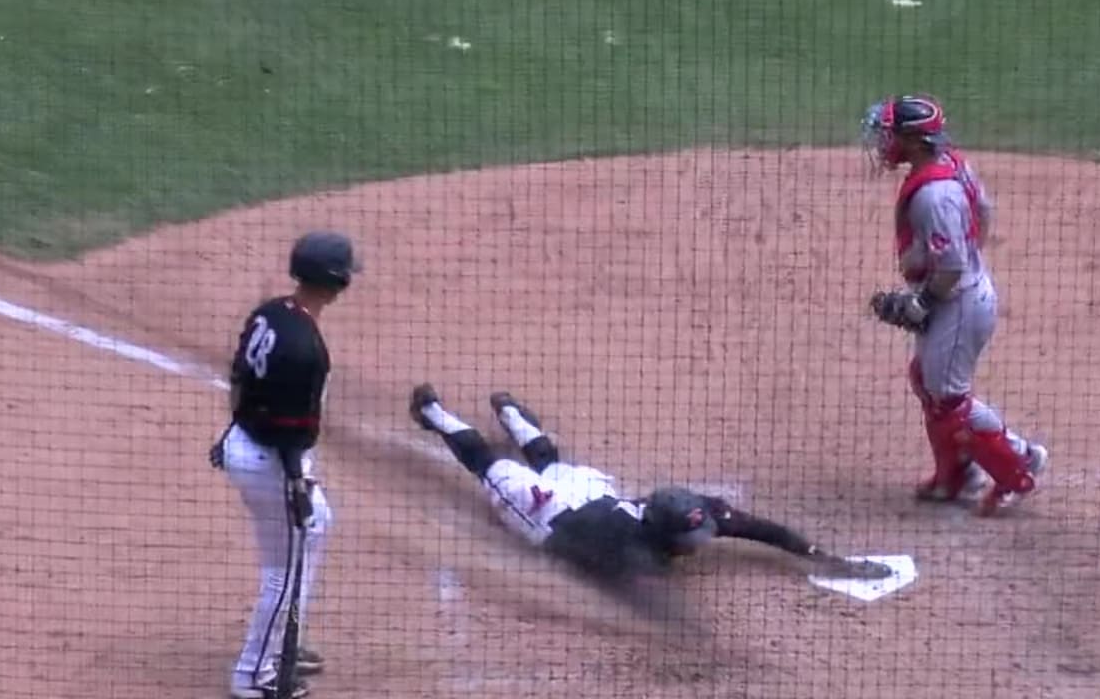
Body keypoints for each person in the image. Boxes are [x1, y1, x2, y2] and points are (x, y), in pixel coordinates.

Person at [405, 383, 889, 589]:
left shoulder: (698, 511)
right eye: (690, 540)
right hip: (554, 519)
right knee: (495, 468)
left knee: (553, 461)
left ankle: (508, 410)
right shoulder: (627, 553)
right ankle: (431, 413)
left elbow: (766, 531)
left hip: (597, 496)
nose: (699, 545)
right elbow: (647, 601)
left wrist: (830, 560)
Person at [860, 94, 1048, 516]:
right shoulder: (951, 163)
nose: (882, 141)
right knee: (926, 381)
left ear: (913, 139)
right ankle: (958, 476)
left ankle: (1018, 467)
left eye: (889, 134)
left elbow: (951, 265)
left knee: (948, 399)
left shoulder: (935, 196)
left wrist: (921, 303)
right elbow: (983, 211)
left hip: (957, 301)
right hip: (958, 294)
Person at [209, 231, 358, 699]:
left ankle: (283, 643)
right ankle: (254, 677)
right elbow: (293, 435)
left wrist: (232, 429)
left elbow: (241, 379)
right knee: (286, 569)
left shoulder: (270, 312)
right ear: (338, 283)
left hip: (249, 444)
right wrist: (297, 485)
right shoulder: (307, 352)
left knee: (316, 530)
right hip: (271, 462)